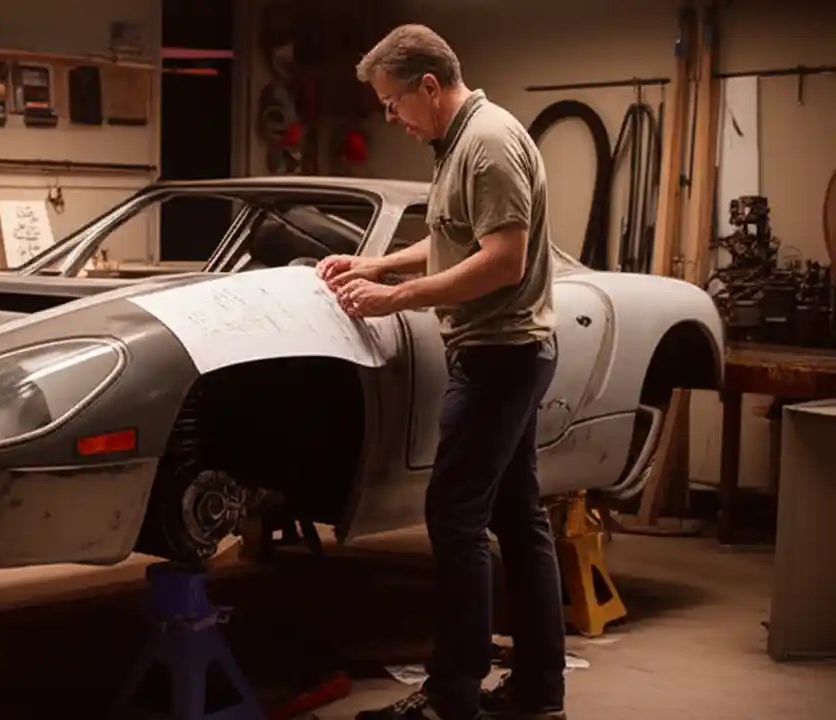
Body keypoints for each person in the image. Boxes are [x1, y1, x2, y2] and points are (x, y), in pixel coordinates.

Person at [316, 24, 567, 720]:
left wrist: (395, 298)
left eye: (393, 101)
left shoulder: (486, 145)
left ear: (429, 84)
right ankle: (540, 693)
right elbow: (455, 235)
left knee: (454, 517)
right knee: (518, 522)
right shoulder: (461, 141)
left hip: (499, 355)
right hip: (503, 351)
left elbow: (502, 259)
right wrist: (380, 263)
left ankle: (452, 697)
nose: (390, 117)